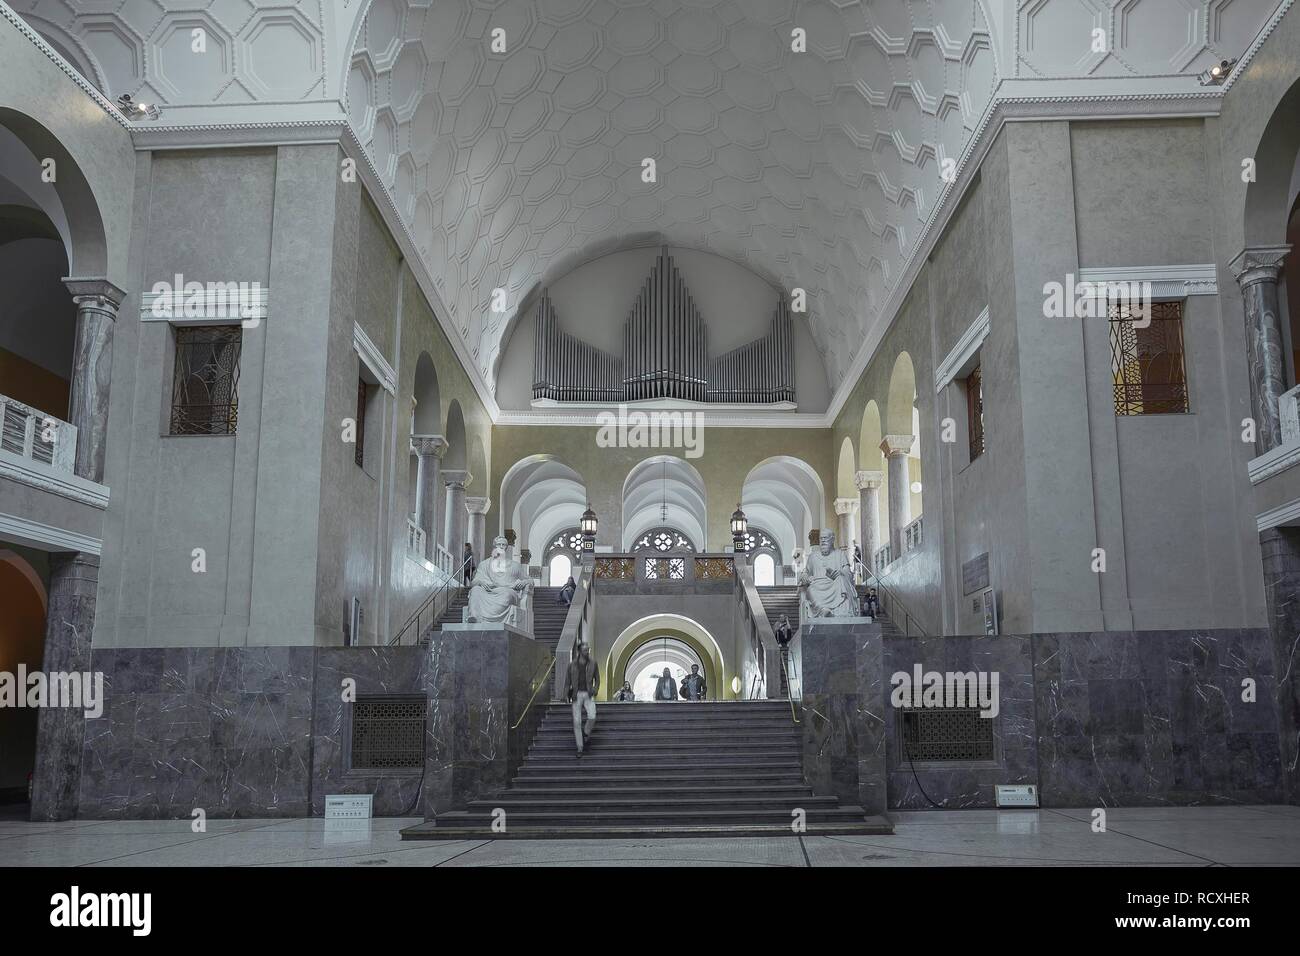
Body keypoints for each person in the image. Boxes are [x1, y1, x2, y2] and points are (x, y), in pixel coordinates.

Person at [465, 536, 531, 624]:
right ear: (494, 547)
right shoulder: (484, 564)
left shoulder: (515, 566)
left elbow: (529, 580)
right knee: (475, 590)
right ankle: (474, 616)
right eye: (498, 544)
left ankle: (490, 620)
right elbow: (474, 582)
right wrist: (481, 582)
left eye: (503, 545)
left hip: (506, 590)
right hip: (488, 590)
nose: (501, 546)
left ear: (506, 547)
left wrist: (524, 582)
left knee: (507, 595)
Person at [797, 529, 858, 619]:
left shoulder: (840, 554)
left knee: (841, 581)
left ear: (832, 539)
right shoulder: (813, 556)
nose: (823, 541)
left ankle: (839, 611)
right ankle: (823, 610)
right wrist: (805, 576)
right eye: (821, 538)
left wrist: (839, 572)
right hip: (817, 584)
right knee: (811, 590)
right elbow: (805, 572)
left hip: (835, 583)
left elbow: (847, 571)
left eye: (825, 538)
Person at [564, 641, 599, 757]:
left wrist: (595, 689)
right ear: (579, 651)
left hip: (588, 694)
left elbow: (597, 679)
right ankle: (580, 747)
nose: (587, 652)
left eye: (588, 650)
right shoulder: (572, 665)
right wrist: (565, 695)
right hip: (576, 694)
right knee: (577, 722)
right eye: (585, 650)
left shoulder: (593, 663)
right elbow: (567, 681)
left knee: (592, 716)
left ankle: (586, 732)